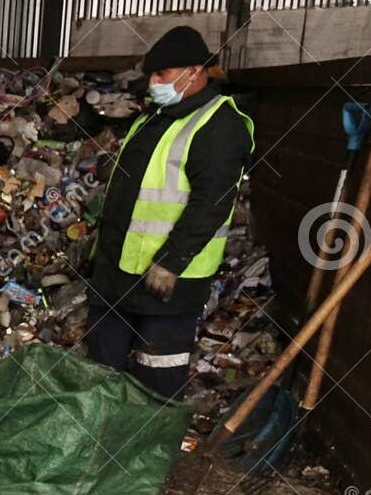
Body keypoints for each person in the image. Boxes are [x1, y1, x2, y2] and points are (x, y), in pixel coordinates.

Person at [86, 25, 254, 399]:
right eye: (152, 73)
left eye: (161, 74)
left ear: (194, 72)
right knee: (100, 371)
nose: (153, 82)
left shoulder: (219, 127)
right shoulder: (154, 118)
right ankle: (99, 448)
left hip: (167, 283)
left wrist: (172, 260)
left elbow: (212, 203)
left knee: (156, 377)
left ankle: (145, 452)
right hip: (117, 274)